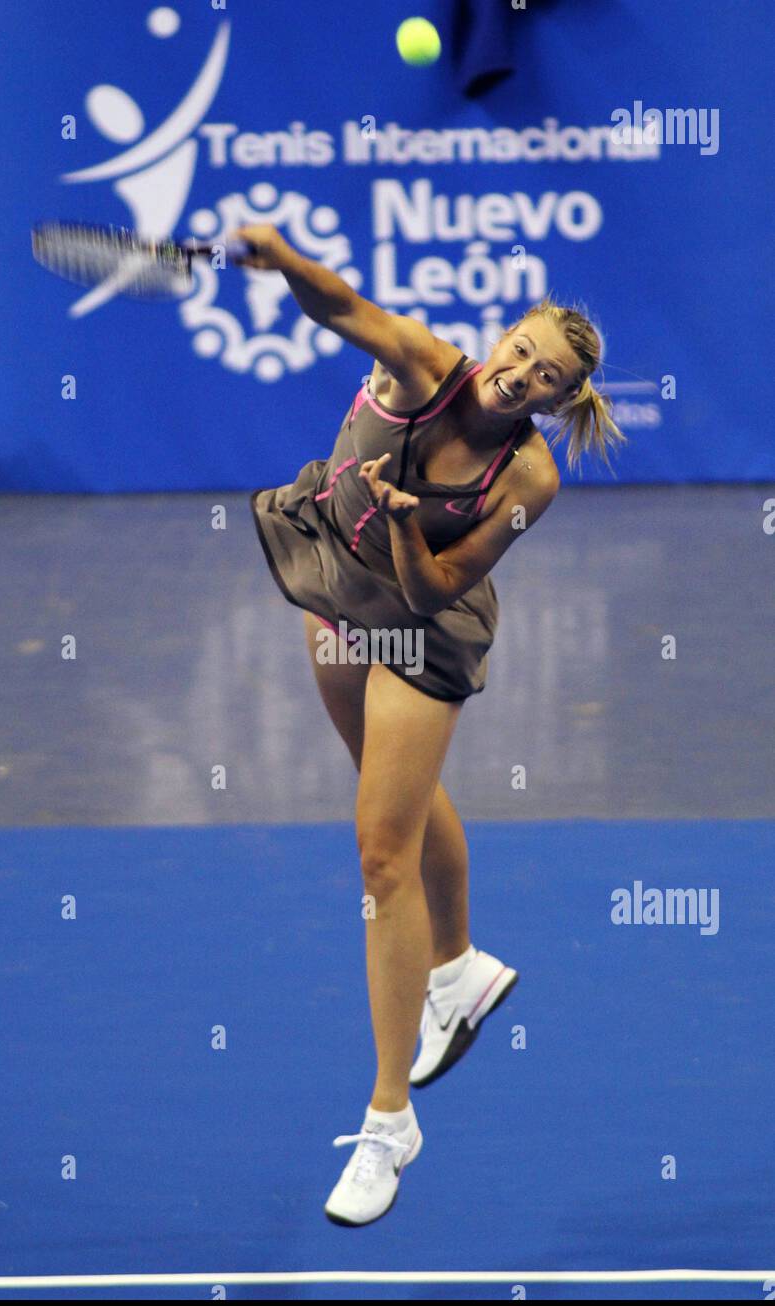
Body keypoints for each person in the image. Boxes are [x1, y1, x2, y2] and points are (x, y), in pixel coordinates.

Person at [230, 223, 626, 1226]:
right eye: (521, 351)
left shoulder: (530, 480)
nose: (523, 374)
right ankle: (459, 967)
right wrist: (285, 265)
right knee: (387, 789)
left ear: (556, 399)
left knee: (378, 853)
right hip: (331, 580)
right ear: (499, 341)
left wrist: (407, 519)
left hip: (425, 619)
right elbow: (343, 306)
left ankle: (388, 1121)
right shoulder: (420, 366)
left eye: (546, 377)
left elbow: (442, 581)